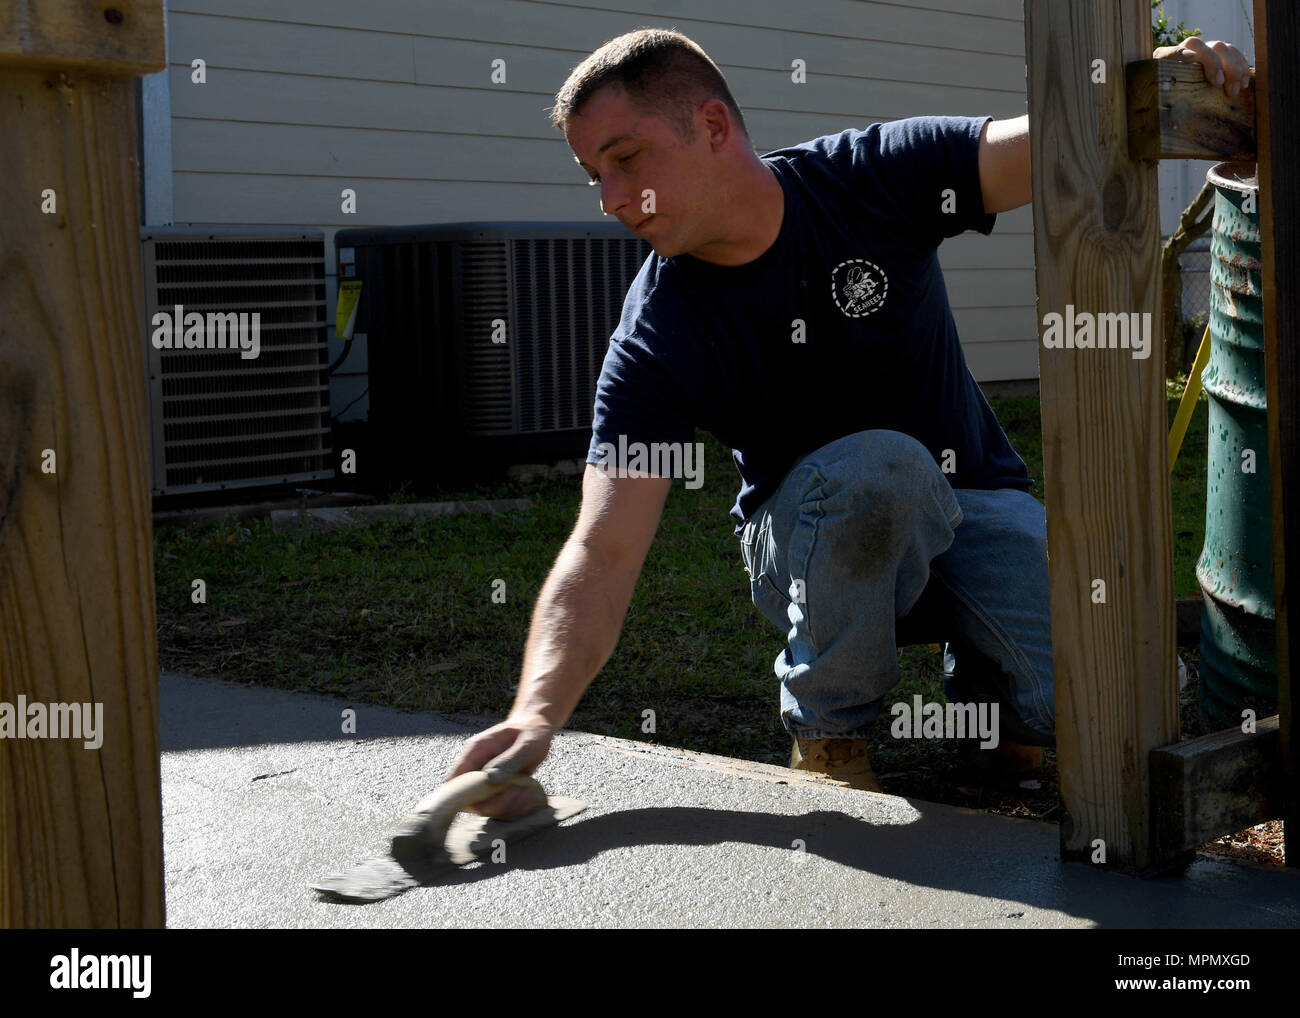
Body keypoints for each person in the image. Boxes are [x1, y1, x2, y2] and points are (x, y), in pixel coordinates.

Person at [449, 28, 1252, 814]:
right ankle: (831, 736)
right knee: (879, 470)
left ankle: (990, 701)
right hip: (808, 539)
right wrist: (533, 716)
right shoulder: (658, 335)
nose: (613, 200)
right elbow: (601, 548)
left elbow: (1061, 143)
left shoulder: (870, 180)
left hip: (971, 502)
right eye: (595, 175)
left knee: (1133, 698)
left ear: (715, 126)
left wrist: (1169, 91)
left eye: (626, 160)